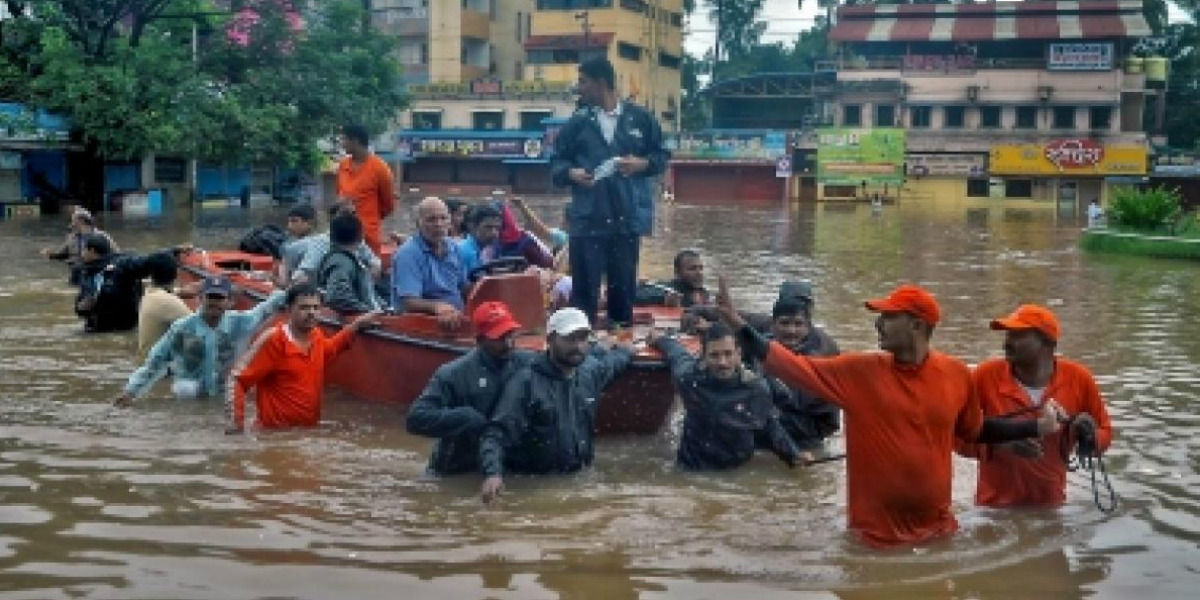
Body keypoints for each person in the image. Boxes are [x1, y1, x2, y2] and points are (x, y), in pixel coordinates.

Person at [716, 279, 1066, 548]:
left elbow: (973, 431)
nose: (878, 324)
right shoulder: (859, 371)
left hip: (940, 532)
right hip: (873, 539)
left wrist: (1034, 427)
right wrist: (740, 326)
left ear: (917, 324)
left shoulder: (957, 374)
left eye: (888, 316)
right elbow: (793, 367)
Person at [957, 304, 1113, 507]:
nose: (1006, 344)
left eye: (1017, 336)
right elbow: (955, 436)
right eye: (1007, 336)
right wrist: (1001, 445)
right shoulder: (984, 376)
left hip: (1052, 506)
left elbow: (1105, 431)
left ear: (1046, 343)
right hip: (992, 509)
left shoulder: (1079, 378)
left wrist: (1089, 438)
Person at [553, 57, 670, 327]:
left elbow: (662, 156)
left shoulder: (641, 119)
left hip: (626, 221)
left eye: (583, 82)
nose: (578, 88)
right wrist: (571, 174)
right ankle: (578, 351)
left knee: (623, 292)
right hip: (587, 220)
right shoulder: (576, 124)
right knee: (583, 295)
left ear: (601, 83)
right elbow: (556, 164)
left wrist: (641, 164)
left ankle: (621, 347)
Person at [478, 307, 634, 503]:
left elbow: (611, 365)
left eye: (583, 338)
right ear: (550, 340)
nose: (578, 346)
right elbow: (496, 433)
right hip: (536, 489)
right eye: (569, 339)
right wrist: (493, 475)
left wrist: (626, 351)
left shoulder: (589, 373)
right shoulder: (525, 383)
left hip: (581, 482)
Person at [226, 283, 380, 432]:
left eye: (315, 307)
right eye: (304, 307)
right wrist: (236, 427)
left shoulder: (317, 336)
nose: (311, 312)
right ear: (289, 310)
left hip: (307, 435)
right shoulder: (274, 339)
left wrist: (355, 326)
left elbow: (330, 349)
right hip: (273, 436)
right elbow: (237, 379)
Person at [648, 323, 802, 470]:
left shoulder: (756, 388)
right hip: (692, 469)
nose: (722, 362)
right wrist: (659, 339)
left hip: (737, 471)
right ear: (704, 357)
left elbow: (770, 426)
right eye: (714, 355)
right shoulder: (689, 379)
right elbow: (677, 354)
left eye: (728, 354)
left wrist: (794, 454)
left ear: (739, 354)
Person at [114, 276, 287, 406]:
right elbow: (155, 363)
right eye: (210, 297)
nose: (214, 302)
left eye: (219, 298)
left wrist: (289, 292)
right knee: (185, 389)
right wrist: (131, 392)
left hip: (223, 392)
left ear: (230, 301)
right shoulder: (182, 328)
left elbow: (266, 309)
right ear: (200, 298)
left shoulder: (242, 322)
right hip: (190, 392)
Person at [406, 302, 535, 475]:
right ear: (480, 340)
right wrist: (465, 418)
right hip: (456, 468)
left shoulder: (527, 363)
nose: (508, 344)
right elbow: (416, 419)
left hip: (504, 464)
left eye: (511, 335)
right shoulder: (453, 373)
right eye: (499, 338)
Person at [745, 292, 842, 455]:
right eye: (784, 323)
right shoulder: (760, 347)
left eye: (798, 324)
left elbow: (823, 419)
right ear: (773, 325)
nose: (791, 331)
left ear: (808, 327)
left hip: (806, 433)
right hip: (769, 423)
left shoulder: (817, 361)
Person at [391, 197, 469, 328]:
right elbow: (409, 302)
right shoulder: (408, 254)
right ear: (418, 223)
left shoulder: (454, 248)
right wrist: (438, 307)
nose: (438, 224)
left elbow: (463, 287)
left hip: (455, 320)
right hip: (420, 326)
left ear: (450, 221)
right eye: (431, 219)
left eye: (443, 218)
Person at [290, 202, 382, 287]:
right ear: (333, 218)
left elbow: (375, 263)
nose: (352, 217)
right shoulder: (321, 242)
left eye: (354, 213)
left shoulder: (358, 240)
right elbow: (301, 274)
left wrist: (364, 286)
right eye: (346, 213)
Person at [337, 124, 395, 255]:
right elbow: (339, 195)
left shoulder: (380, 168)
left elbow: (388, 205)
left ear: (356, 141)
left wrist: (368, 219)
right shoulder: (343, 165)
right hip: (342, 232)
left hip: (368, 236)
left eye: (344, 140)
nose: (342, 144)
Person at [74, 234, 143, 333]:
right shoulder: (88, 271)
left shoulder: (119, 268)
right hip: (117, 326)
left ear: (92, 251)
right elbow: (82, 302)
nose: (82, 254)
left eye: (83, 250)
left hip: (114, 326)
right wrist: (80, 307)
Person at [317, 212, 382, 314]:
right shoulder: (341, 263)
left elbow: (368, 294)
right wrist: (368, 312)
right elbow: (338, 297)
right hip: (365, 322)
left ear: (331, 237)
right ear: (360, 237)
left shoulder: (348, 259)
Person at [136, 251, 194, 360]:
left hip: (148, 363)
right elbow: (200, 330)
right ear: (176, 274)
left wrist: (182, 291)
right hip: (162, 370)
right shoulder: (169, 302)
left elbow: (167, 294)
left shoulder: (148, 292)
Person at [41, 208, 118, 285]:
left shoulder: (102, 236)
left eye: (73, 220)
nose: (71, 223)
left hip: (96, 272)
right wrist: (51, 255)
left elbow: (116, 255)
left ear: (81, 221)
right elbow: (62, 254)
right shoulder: (71, 237)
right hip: (77, 272)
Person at [635, 249, 710, 308]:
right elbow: (633, 296)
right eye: (692, 269)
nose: (699, 273)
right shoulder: (666, 289)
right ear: (677, 272)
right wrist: (663, 299)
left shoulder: (703, 293)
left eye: (701, 268)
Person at [456, 203, 504, 277]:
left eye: (497, 228)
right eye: (488, 227)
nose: (494, 233)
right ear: (472, 226)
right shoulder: (464, 252)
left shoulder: (485, 251)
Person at [277, 203, 318, 286]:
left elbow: (284, 282)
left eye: (294, 221)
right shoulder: (289, 243)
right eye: (289, 221)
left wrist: (272, 278)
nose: (289, 226)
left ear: (309, 223)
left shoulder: (293, 247)